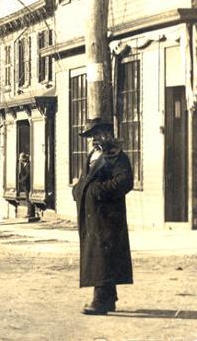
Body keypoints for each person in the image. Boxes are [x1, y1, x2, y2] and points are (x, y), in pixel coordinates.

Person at [72, 120, 133, 316]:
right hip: (91, 214)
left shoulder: (116, 157)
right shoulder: (93, 154)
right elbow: (86, 178)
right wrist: (78, 190)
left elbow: (125, 181)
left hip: (107, 216)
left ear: (108, 134)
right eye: (91, 136)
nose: (94, 139)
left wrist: (99, 191)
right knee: (99, 256)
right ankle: (110, 299)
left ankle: (100, 301)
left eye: (97, 134)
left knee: (102, 257)